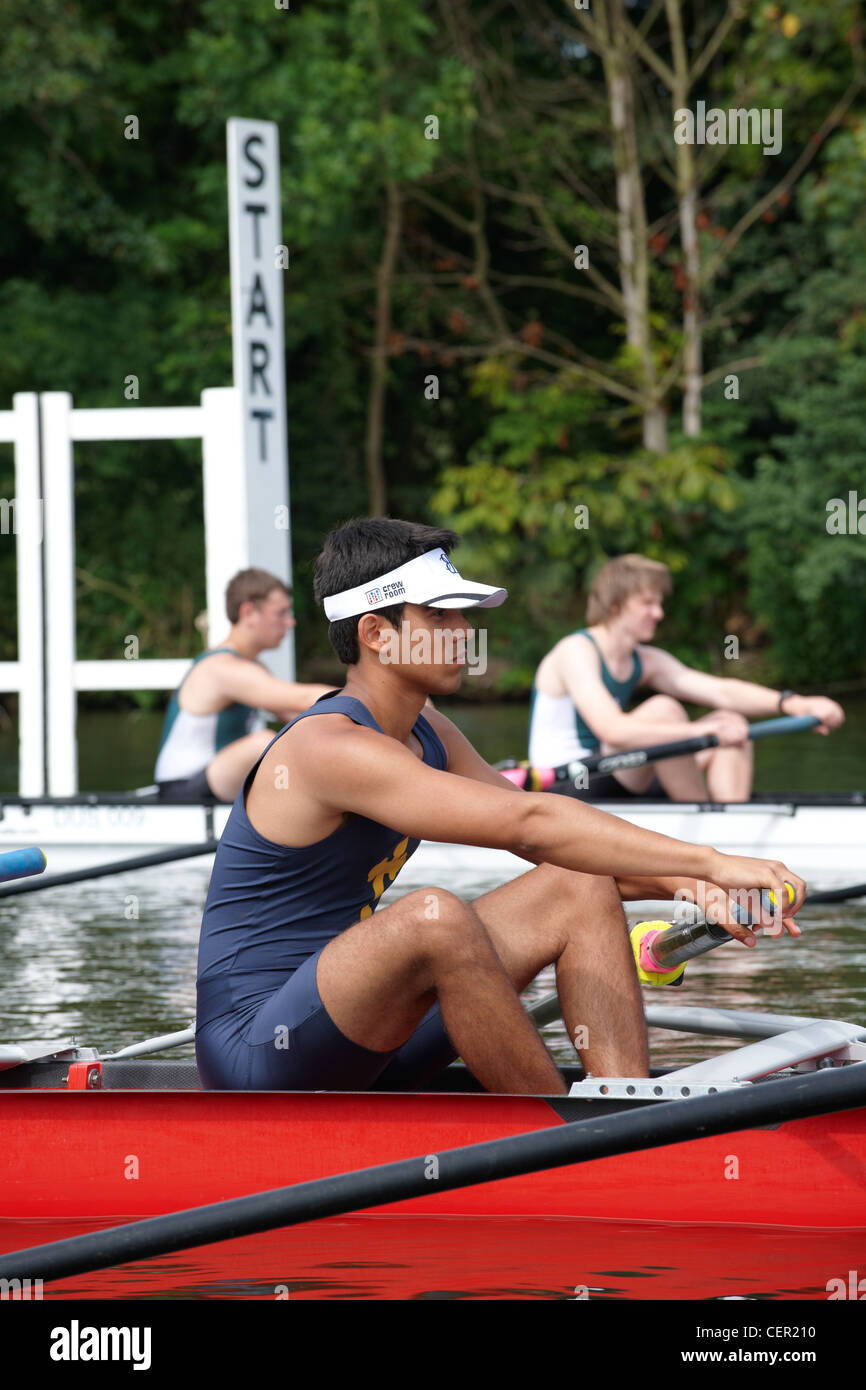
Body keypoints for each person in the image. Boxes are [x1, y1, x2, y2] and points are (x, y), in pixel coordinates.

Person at [194, 519, 803, 1096]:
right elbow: (532, 825)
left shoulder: (427, 727)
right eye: (438, 614)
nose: (463, 631)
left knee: (575, 882)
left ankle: (627, 1107)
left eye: (461, 613)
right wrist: (713, 861)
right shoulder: (329, 747)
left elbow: (550, 835)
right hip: (260, 1052)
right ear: (376, 633)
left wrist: (693, 886)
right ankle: (559, 1139)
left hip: (368, 1033)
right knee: (434, 915)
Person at [528, 554, 844, 802]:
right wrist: (701, 729)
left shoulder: (645, 659)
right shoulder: (575, 651)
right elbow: (612, 729)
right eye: (648, 603)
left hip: (619, 775)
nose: (659, 613)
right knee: (664, 709)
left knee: (731, 721)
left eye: (660, 603)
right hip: (568, 786)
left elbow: (721, 691)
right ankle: (703, 826)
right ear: (614, 606)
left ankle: (731, 822)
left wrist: (793, 703)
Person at [155, 568, 333, 802]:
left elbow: (299, 715)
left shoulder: (253, 668)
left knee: (307, 734)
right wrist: (367, 698)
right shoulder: (221, 668)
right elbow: (301, 698)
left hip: (214, 780)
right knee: (262, 742)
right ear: (248, 612)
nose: (291, 622)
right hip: (180, 789)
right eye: (281, 613)